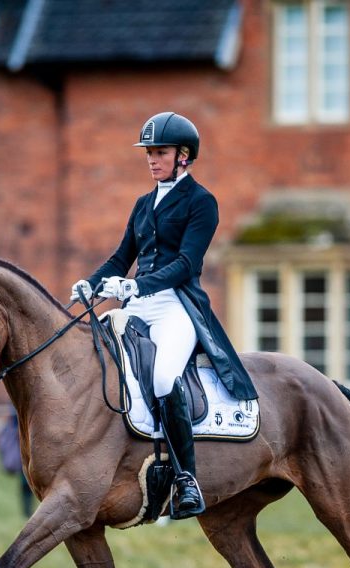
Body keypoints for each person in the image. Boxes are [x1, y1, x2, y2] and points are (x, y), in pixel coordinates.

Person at [70, 112, 258, 520]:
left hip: (176, 305)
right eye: (150, 154)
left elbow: (188, 263)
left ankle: (185, 478)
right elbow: (122, 258)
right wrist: (91, 282)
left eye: (161, 153)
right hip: (137, 305)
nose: (153, 160)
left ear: (184, 156)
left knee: (162, 376)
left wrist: (138, 285)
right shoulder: (142, 204)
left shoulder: (201, 202)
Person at [0, 406, 33, 517]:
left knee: (27, 485)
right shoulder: (14, 418)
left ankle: (28, 513)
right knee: (26, 484)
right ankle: (27, 513)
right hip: (22, 455)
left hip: (27, 453)